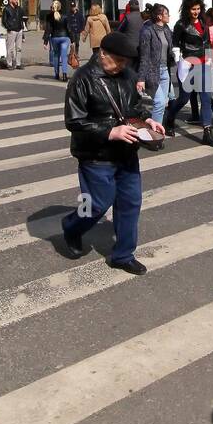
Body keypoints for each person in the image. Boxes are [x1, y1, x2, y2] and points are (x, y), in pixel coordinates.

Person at [59, 31, 164, 275]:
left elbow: (135, 107)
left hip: (126, 151)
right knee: (95, 205)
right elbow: (74, 122)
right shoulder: (82, 79)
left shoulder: (127, 74)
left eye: (125, 62)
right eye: (117, 60)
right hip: (95, 154)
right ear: (102, 53)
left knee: (130, 202)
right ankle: (72, 227)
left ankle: (123, 255)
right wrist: (109, 132)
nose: (121, 66)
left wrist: (147, 120)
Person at [162, 0, 213, 147]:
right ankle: (169, 117)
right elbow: (174, 45)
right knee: (184, 98)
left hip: (203, 65)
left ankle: (207, 133)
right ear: (187, 9)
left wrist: (209, 61)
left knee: (206, 98)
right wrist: (178, 61)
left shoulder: (204, 23)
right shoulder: (181, 24)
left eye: (198, 9)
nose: (196, 11)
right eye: (193, 9)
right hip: (187, 64)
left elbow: (208, 43)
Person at [137, 4, 173, 123]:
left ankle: (155, 128)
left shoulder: (166, 29)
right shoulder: (147, 31)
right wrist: (141, 78)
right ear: (159, 16)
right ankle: (156, 136)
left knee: (162, 104)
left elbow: (169, 49)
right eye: (166, 14)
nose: (168, 16)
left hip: (165, 70)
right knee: (159, 102)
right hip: (152, 71)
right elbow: (144, 56)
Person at [44, 0, 72, 82]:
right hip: (65, 37)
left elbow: (48, 30)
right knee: (64, 56)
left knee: (56, 55)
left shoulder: (49, 17)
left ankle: (56, 74)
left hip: (54, 38)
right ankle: (64, 75)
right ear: (60, 7)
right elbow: (69, 29)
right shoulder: (65, 16)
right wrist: (73, 40)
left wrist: (45, 41)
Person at [2, 0, 27, 69]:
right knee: (10, 48)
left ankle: (18, 63)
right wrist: (9, 28)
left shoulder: (19, 9)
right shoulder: (6, 9)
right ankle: (9, 63)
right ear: (10, 0)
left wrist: (25, 21)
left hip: (19, 29)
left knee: (19, 48)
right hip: (12, 30)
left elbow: (23, 17)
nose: (17, 1)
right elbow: (4, 21)